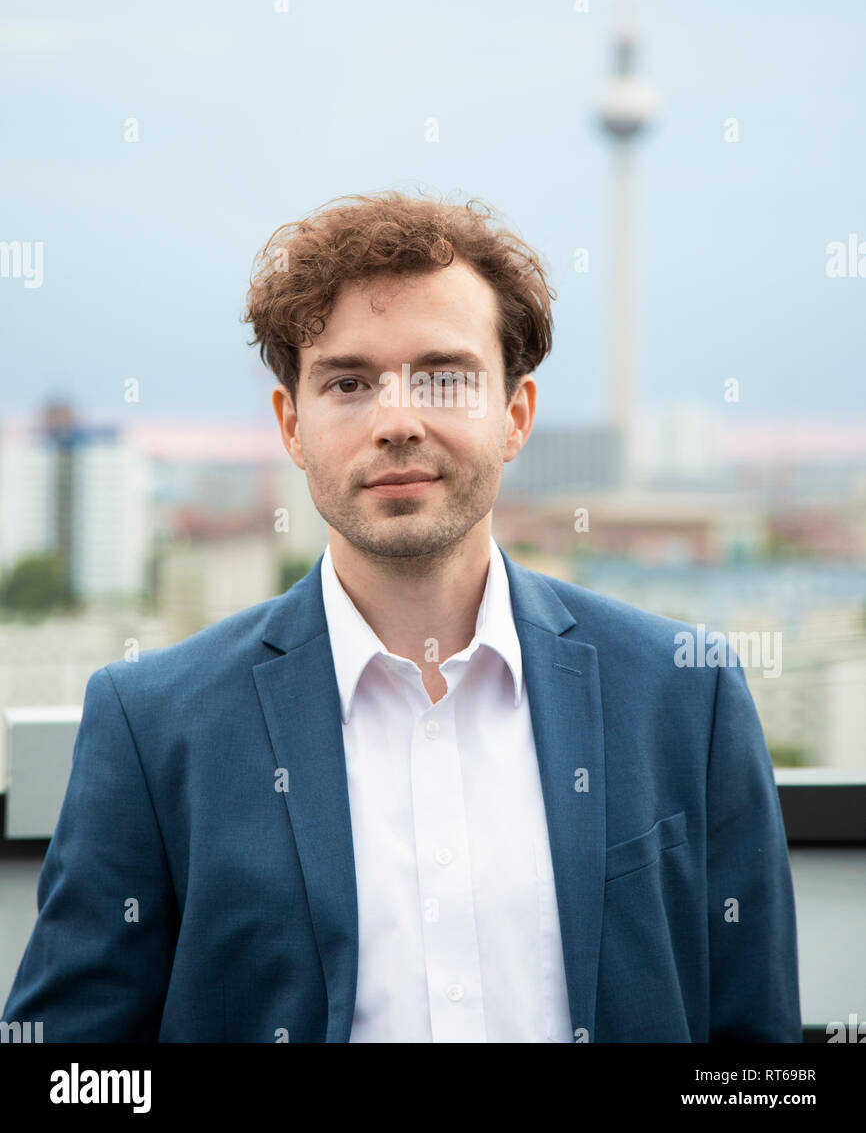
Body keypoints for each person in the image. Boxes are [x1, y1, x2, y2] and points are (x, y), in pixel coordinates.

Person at [2, 190, 801, 1042]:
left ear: (516, 415)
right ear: (293, 426)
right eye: (348, 382)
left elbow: (757, 1055)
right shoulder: (154, 723)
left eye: (444, 377)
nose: (397, 421)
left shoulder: (684, 691)